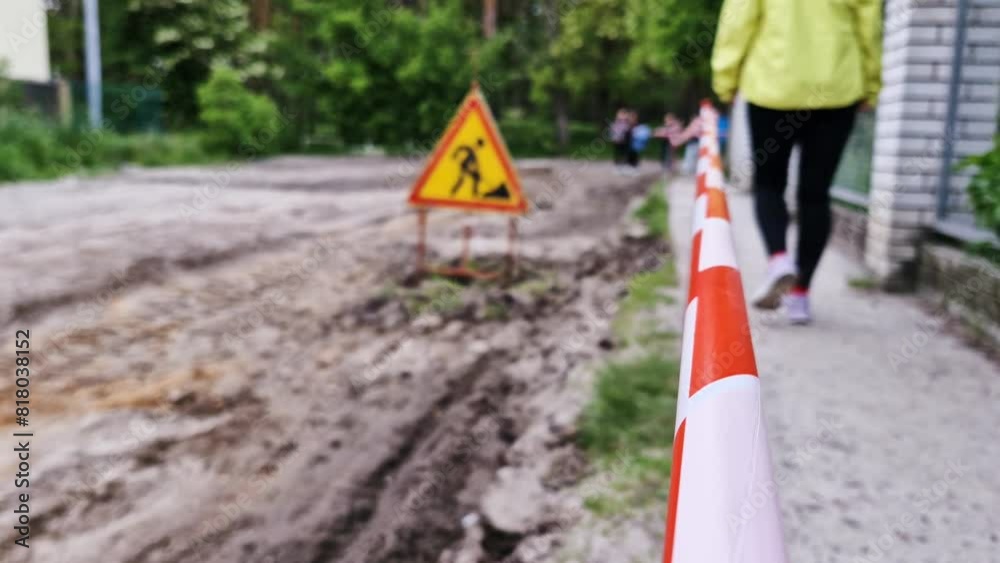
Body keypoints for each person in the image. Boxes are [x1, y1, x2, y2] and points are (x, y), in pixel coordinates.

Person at [711, 0, 881, 324]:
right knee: (816, 194)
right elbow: (868, 28)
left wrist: (726, 81)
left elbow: (736, 23)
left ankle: (778, 259)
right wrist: (870, 85)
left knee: (769, 183)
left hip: (772, 87)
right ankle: (800, 296)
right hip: (836, 90)